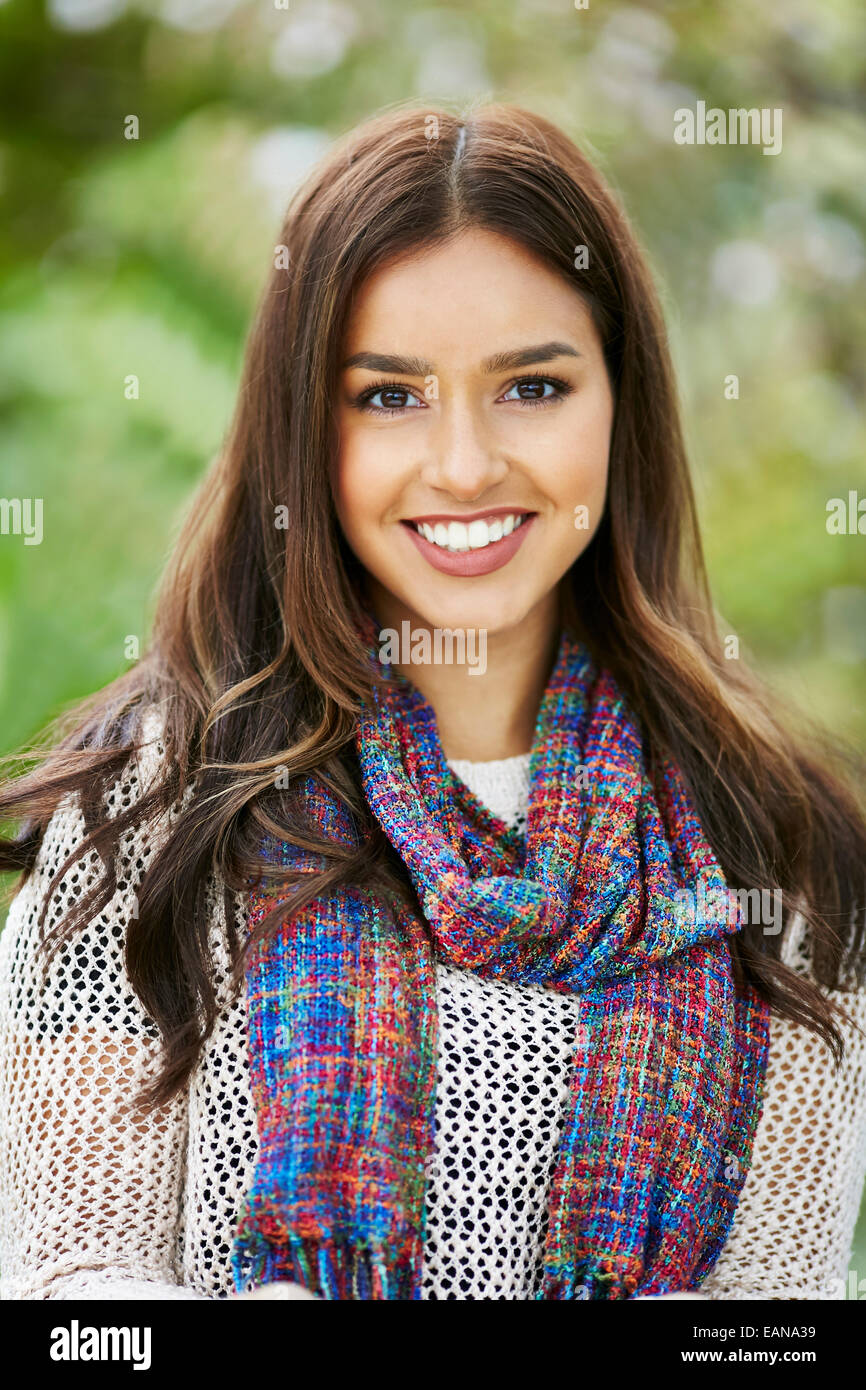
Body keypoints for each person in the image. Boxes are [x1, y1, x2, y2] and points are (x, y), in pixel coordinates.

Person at [1, 102, 864, 1303]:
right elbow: (67, 1291)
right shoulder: (148, 811)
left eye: (531, 386)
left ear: (621, 400)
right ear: (304, 428)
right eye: (388, 397)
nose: (462, 465)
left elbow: (778, 1323)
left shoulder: (777, 847)